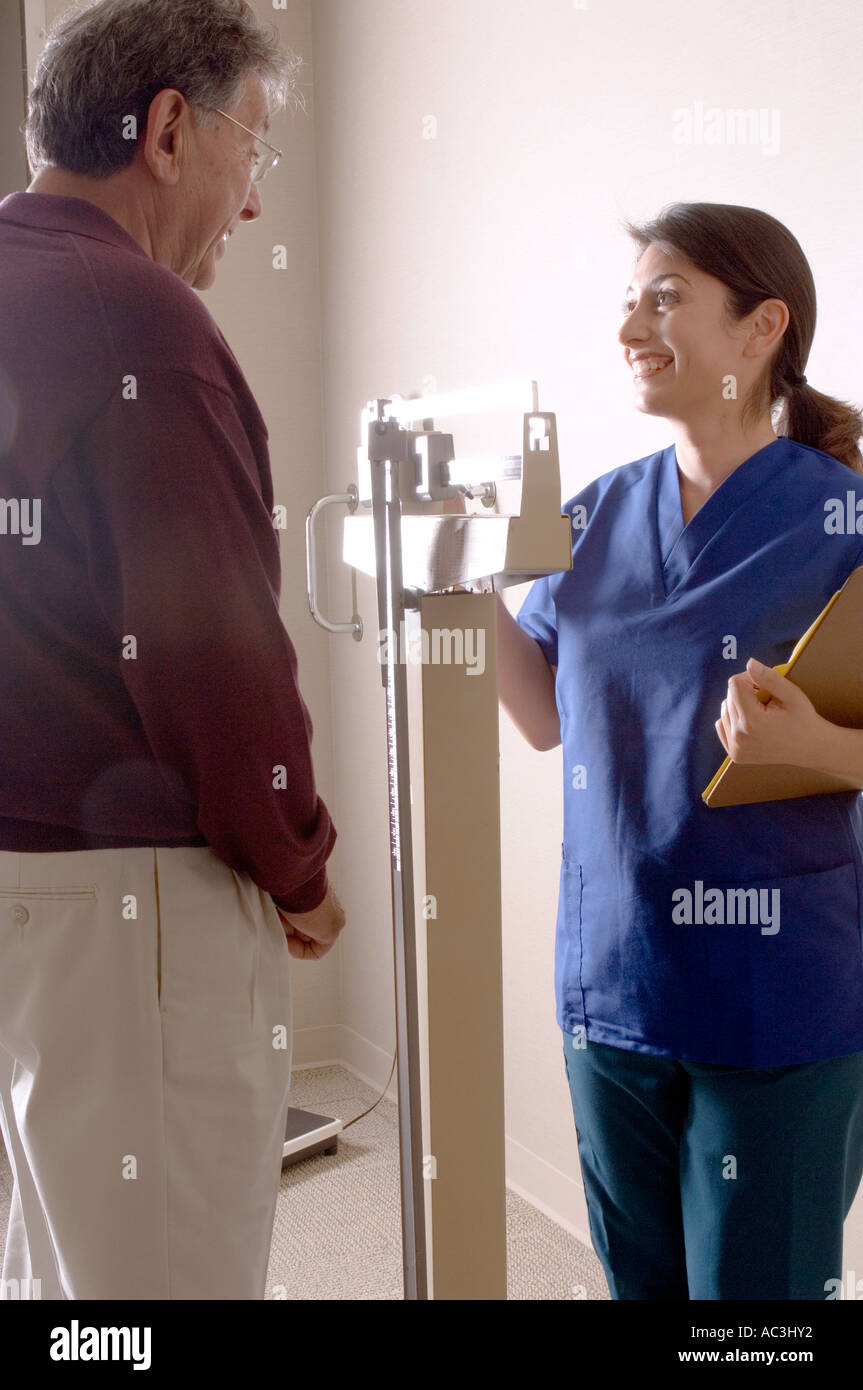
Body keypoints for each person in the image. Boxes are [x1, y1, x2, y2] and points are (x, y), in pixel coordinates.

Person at [0, 0, 344, 1301]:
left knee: (63, 1261)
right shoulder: (138, 319)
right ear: (167, 130)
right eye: (250, 149)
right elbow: (216, 663)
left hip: (29, 892)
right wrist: (298, 865)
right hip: (124, 900)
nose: (252, 200)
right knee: (156, 1285)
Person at [497, 202, 863, 1300]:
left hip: (778, 993)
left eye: (664, 298)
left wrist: (827, 747)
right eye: (626, 300)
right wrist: (458, 590)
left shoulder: (840, 520)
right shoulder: (590, 519)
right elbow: (539, 715)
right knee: (641, 1290)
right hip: (613, 982)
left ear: (760, 330)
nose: (630, 325)